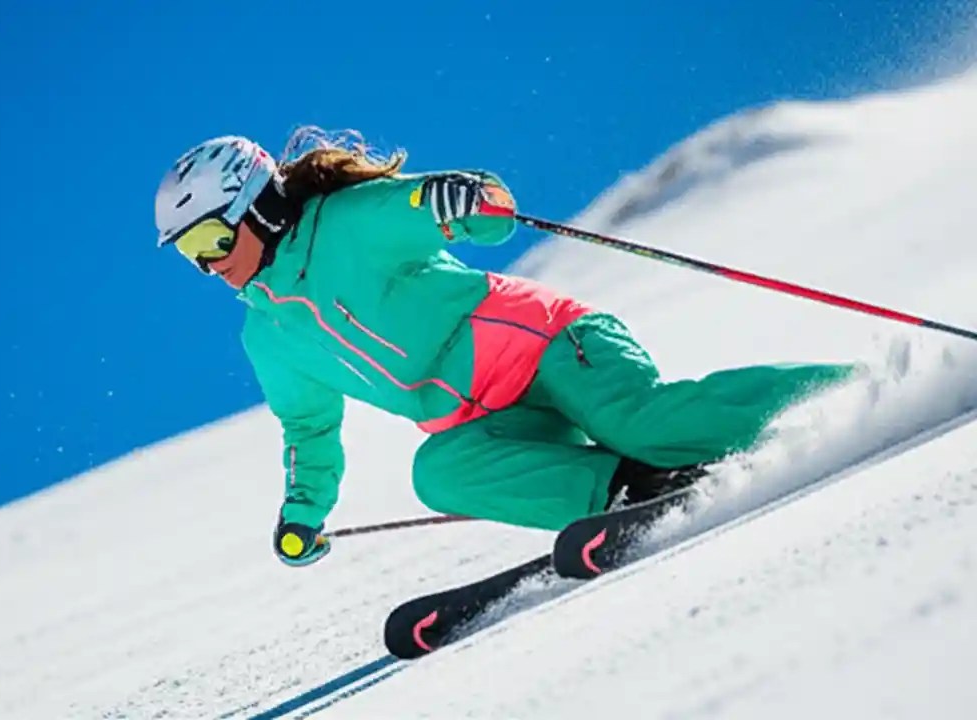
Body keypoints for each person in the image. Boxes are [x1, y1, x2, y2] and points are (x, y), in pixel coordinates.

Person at [153, 129, 853, 569]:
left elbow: (460, 208)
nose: (210, 264)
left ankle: (856, 386)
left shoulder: (350, 223)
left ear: (261, 206)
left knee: (637, 423)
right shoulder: (268, 334)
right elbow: (308, 429)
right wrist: (303, 512)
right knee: (441, 471)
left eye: (212, 239)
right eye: (191, 255)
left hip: (550, 342)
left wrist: (466, 200)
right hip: (486, 415)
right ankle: (631, 491)